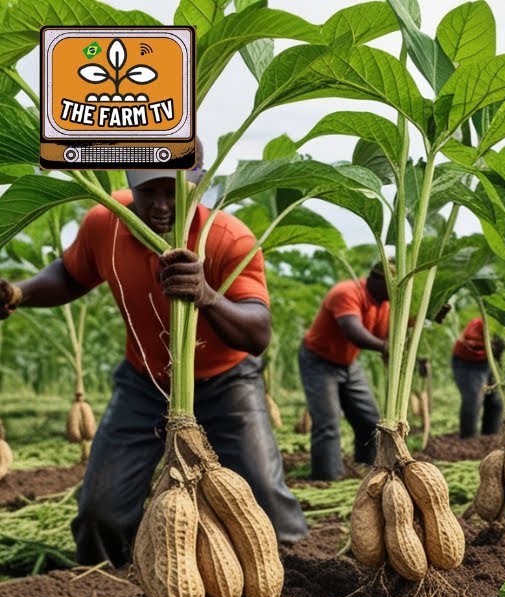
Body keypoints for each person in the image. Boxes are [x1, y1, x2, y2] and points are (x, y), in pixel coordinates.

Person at [0, 168, 309, 567]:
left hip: (227, 382)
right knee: (100, 511)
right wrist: (19, 292)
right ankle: (99, 590)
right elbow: (71, 274)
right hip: (144, 383)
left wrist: (207, 296)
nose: (162, 206)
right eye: (150, 192)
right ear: (130, 184)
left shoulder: (228, 237)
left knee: (264, 498)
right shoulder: (105, 223)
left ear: (197, 187)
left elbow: (257, 334)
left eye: (174, 192)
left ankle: (294, 578)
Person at [297, 264, 391, 480]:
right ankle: (326, 479)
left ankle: (366, 468)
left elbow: (388, 332)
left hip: (348, 364)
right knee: (328, 422)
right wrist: (385, 347)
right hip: (318, 361)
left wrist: (427, 316)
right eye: (392, 285)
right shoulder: (347, 292)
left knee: (370, 419)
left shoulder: (383, 303)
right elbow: (353, 331)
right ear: (376, 280)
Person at [451, 317, 503, 438]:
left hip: (489, 361)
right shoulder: (478, 322)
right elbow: (470, 340)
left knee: (496, 401)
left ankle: (490, 437)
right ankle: (468, 441)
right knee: (473, 399)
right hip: (467, 362)